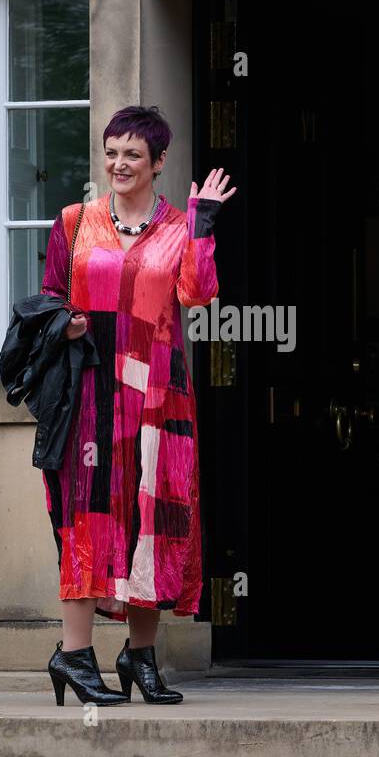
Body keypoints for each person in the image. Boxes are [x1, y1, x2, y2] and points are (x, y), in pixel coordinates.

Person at [41, 105, 236, 706]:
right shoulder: (74, 222)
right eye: (112, 151)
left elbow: (198, 295)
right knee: (86, 516)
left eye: (133, 154)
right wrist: (65, 325)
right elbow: (48, 294)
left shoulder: (179, 227)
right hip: (89, 395)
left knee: (154, 517)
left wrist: (203, 225)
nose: (119, 163)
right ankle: (74, 655)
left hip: (157, 397)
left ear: (158, 163)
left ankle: (139, 655)